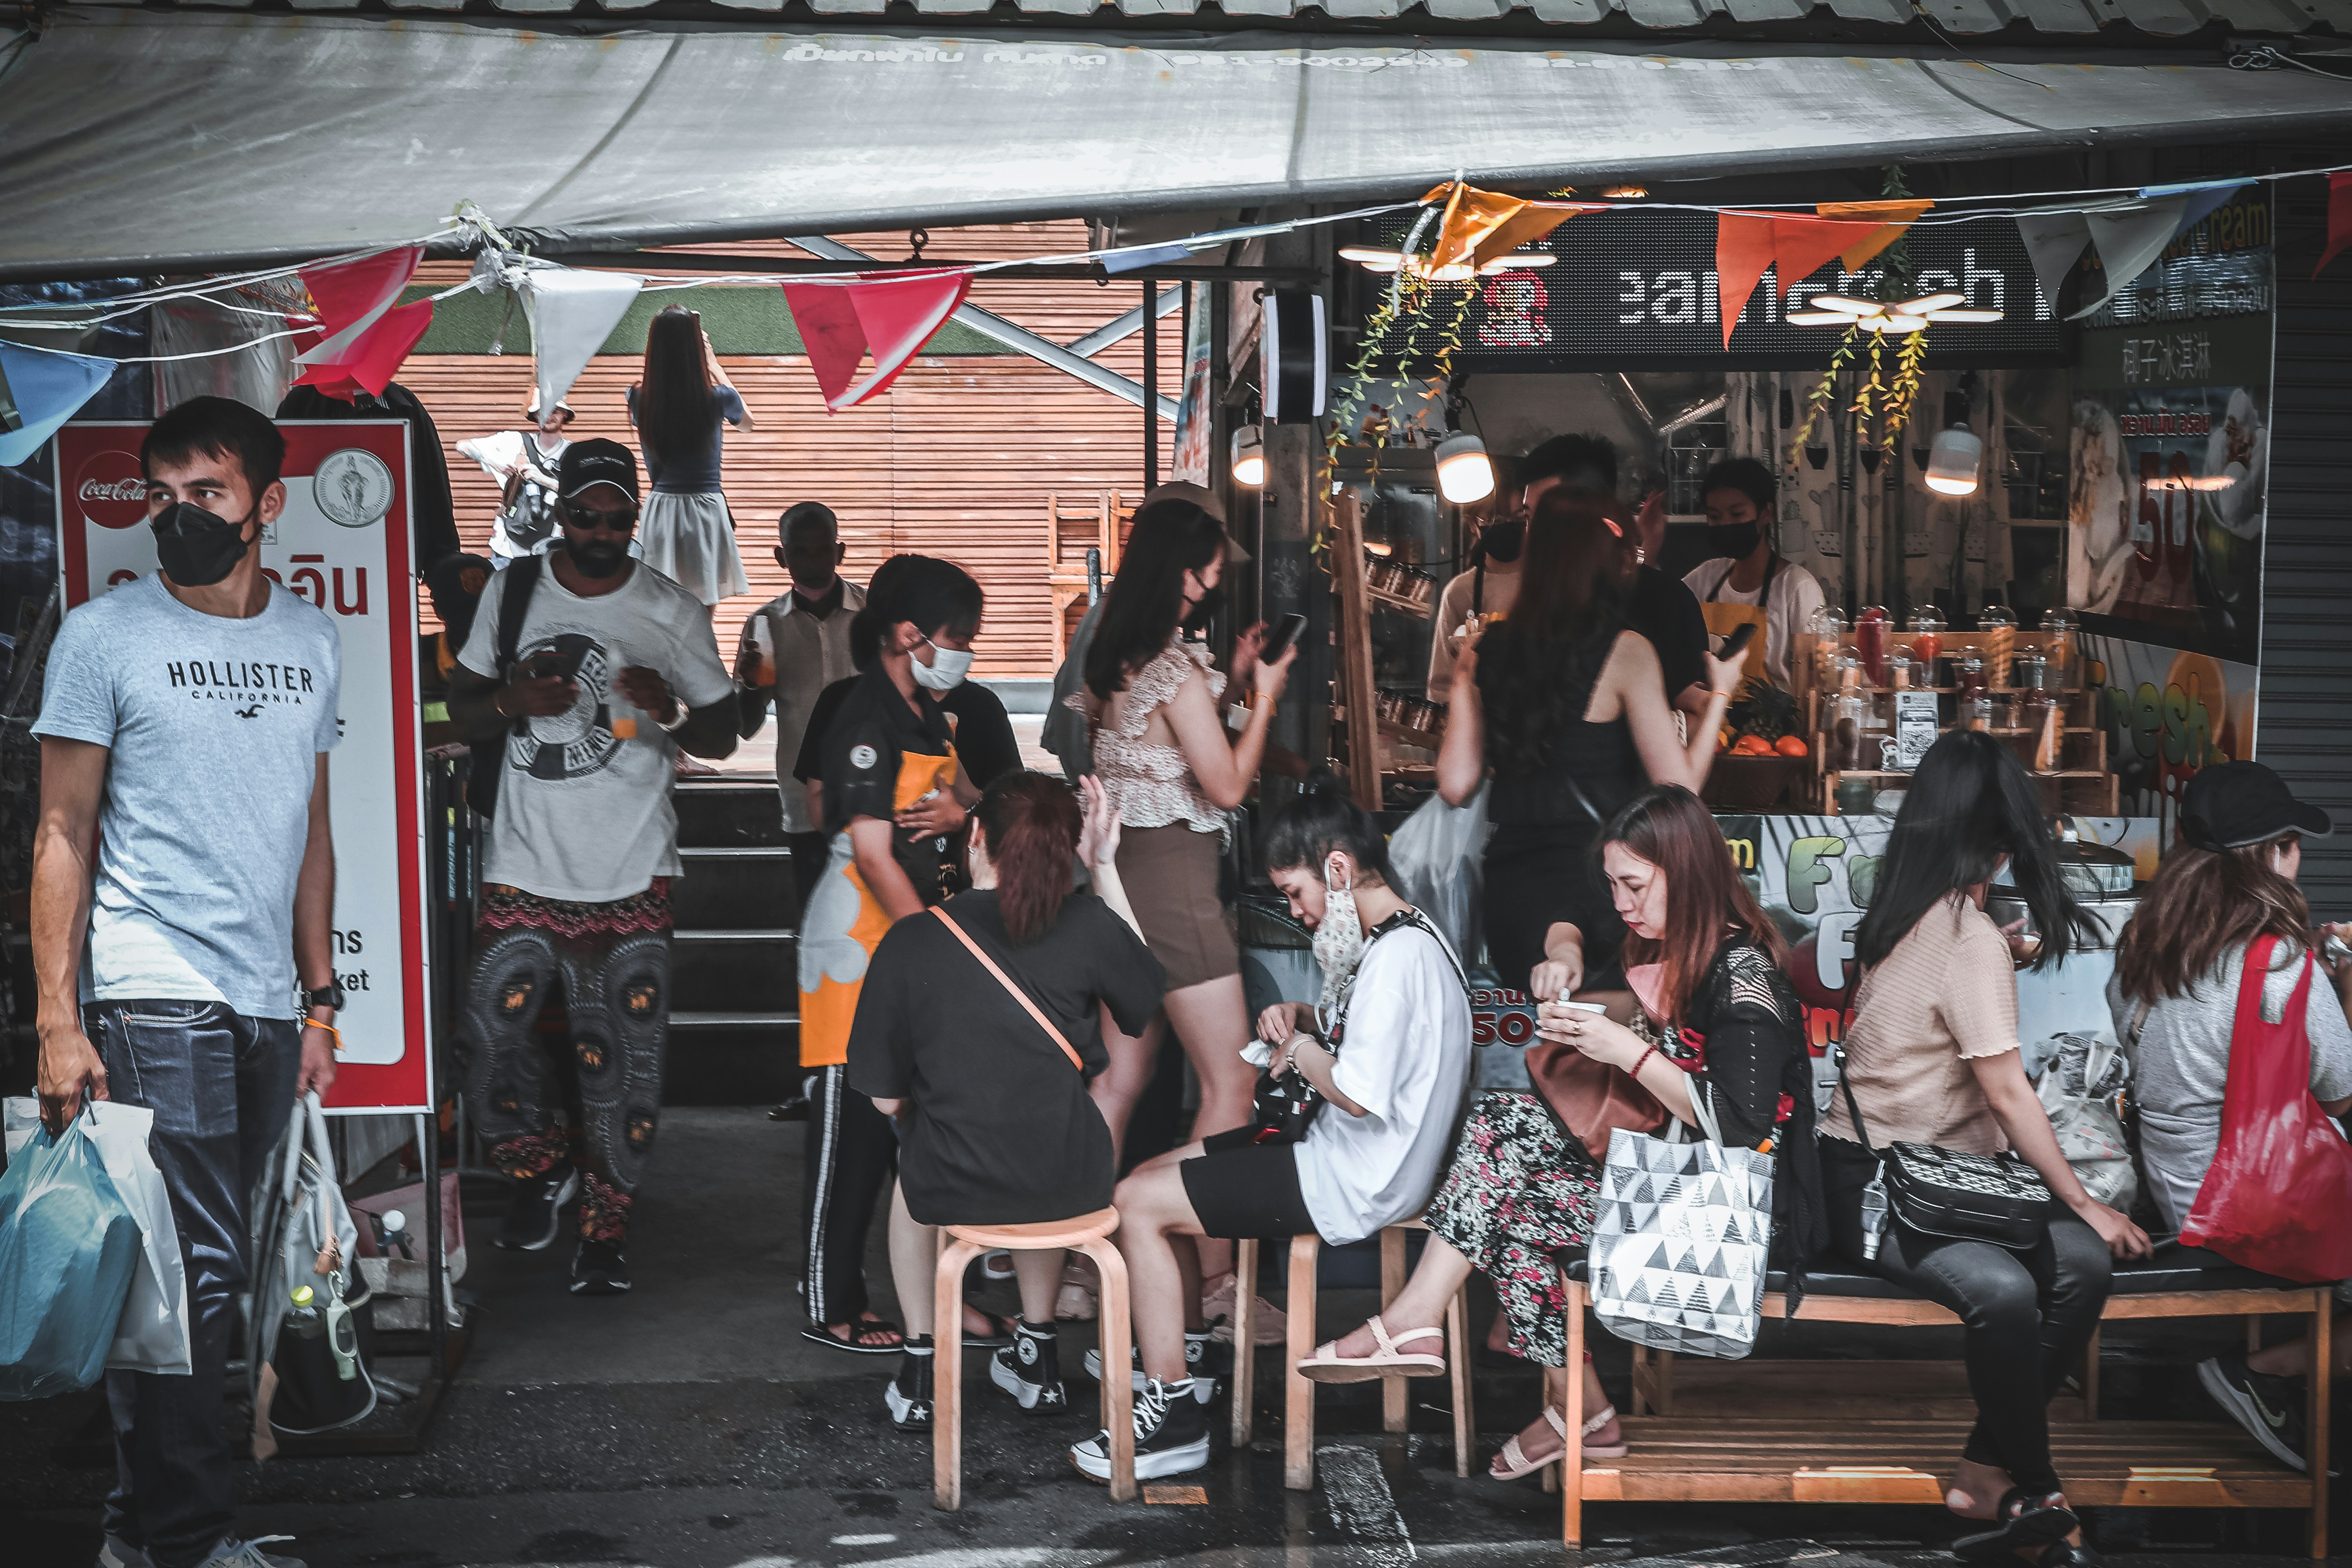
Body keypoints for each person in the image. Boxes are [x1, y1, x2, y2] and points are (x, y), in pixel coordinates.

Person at [32, 396, 342, 1568]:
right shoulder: (104, 635)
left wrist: (318, 1001)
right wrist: (60, 1021)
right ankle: (185, 1538)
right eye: (162, 498)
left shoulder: (312, 640)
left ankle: (144, 1536)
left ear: (265, 504)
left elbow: (309, 832)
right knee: (199, 1274)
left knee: (201, 1277)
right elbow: (62, 830)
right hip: (153, 982)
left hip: (264, 999)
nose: (179, 517)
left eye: (206, 494)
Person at [1298, 784, 1822, 1478]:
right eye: (1614, 886)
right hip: (1677, 1192)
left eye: (1634, 886)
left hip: (1735, 1222)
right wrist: (1599, 1023)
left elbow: (1740, 1124)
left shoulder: (1746, 972)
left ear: (1689, 874)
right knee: (1505, 1179)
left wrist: (1627, 1052)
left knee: (1504, 1157)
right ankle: (1576, 1409)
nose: (1622, 905)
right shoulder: (1691, 957)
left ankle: (1459, 1342)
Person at [1073, 776, 1472, 1482]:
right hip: (1345, 1159)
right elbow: (1377, 1050)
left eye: (1298, 893)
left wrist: (1301, 1053)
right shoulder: (1408, 939)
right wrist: (1308, 1017)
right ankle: (1184, 1361)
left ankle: (1172, 1417)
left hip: (1350, 1178)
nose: (1300, 912)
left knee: (1137, 1206)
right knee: (1145, 1182)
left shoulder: (1395, 959)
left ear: (1340, 869)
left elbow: (1356, 1093)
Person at [1820, 730, 2150, 1568]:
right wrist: (2083, 1198)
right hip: (1881, 1188)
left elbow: (1990, 1101)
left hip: (1941, 1180)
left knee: (2082, 1265)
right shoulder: (1965, 938)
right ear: (2003, 839)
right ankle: (2036, 1490)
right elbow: (2006, 1089)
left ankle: (1979, 1469)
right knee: (2004, 1290)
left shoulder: (1907, 913)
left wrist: (2070, 1213)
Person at [447, 439, 739, 1296]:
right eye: (586, 515)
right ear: (561, 513)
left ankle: (605, 1230)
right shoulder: (514, 590)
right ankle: (542, 1169)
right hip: (525, 864)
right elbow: (460, 703)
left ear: (635, 519)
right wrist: (509, 702)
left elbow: (723, 733)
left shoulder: (671, 610)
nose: (602, 531)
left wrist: (673, 710)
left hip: (634, 870)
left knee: (624, 1065)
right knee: (482, 1037)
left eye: (618, 518)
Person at [849, 773, 1165, 1430]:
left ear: (977, 836)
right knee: (1040, 1151)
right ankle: (1038, 1355)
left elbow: (883, 1099)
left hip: (955, 1179)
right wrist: (1104, 869)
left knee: (913, 1184)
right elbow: (1142, 996)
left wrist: (945, 1118)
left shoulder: (913, 940)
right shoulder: (1087, 927)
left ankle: (919, 1367)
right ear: (1068, 850)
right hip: (1073, 1178)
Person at [1073, 493, 1297, 1335]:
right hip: (1174, 878)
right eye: (1207, 570)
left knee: (1120, 1079)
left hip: (1120, 875)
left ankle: (1075, 1262)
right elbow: (1227, 785)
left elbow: (1169, 752)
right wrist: (1265, 694)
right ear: (1182, 569)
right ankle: (1216, 1284)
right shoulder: (1170, 667)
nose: (1212, 585)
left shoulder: (1113, 658)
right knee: (1231, 1078)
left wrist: (1231, 684)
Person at [2107, 761, 2352, 1471]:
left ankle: (2274, 1372)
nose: (2300, 857)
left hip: (2172, 1190)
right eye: (2294, 843)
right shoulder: (2280, 963)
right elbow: (2338, 1093)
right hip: (2254, 1203)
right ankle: (2269, 1368)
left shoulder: (2139, 950)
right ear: (2272, 854)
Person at [795, 556, 985, 1355]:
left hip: (909, 945)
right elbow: (873, 854)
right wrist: (938, 949)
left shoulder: (926, 715)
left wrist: (962, 809)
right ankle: (829, 1299)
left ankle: (947, 1297)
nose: (965, 653)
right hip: (858, 953)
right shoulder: (865, 717)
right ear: (909, 636)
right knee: (851, 1141)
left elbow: (974, 795)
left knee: (923, 1135)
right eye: (957, 639)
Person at [1438, 492, 1739, 998]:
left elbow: (1455, 783)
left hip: (1515, 883)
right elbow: (1679, 787)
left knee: (1552, 1046)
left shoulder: (1485, 650)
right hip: (1604, 879)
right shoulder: (1627, 651)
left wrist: (1464, 683)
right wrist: (1723, 693)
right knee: (1610, 1045)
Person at [737, 502, 867, 915]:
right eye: (800, 551)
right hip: (803, 800)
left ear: (840, 552)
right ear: (781, 557)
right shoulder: (765, 626)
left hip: (876, 789)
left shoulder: (874, 614)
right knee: (815, 915)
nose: (812, 560)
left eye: (822, 549)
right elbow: (746, 725)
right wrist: (750, 685)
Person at [626, 305, 751, 609]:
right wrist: (713, 363)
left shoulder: (638, 397)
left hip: (661, 508)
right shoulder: (719, 397)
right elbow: (747, 423)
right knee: (702, 609)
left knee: (660, 608)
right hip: (705, 508)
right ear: (696, 346)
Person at [1682, 456, 1826, 693]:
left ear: (1766, 514)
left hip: (1775, 729)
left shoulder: (1797, 588)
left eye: (1737, 514)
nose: (1725, 525)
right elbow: (1662, 612)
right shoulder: (1706, 577)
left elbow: (1815, 681)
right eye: (1715, 517)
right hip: (1711, 723)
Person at [1423, 470, 1519, 702]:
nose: (1507, 526)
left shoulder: (1547, 583)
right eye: (1495, 520)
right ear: (1473, 524)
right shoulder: (1460, 591)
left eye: (1517, 518)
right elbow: (1441, 686)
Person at [455, 396, 575, 568]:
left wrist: (545, 481)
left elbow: (580, 495)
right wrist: (497, 464)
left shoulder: (573, 454)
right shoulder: (513, 442)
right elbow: (463, 446)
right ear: (535, 416)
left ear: (565, 415)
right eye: (543, 411)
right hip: (507, 549)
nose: (549, 416)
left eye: (555, 411)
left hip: (552, 549)